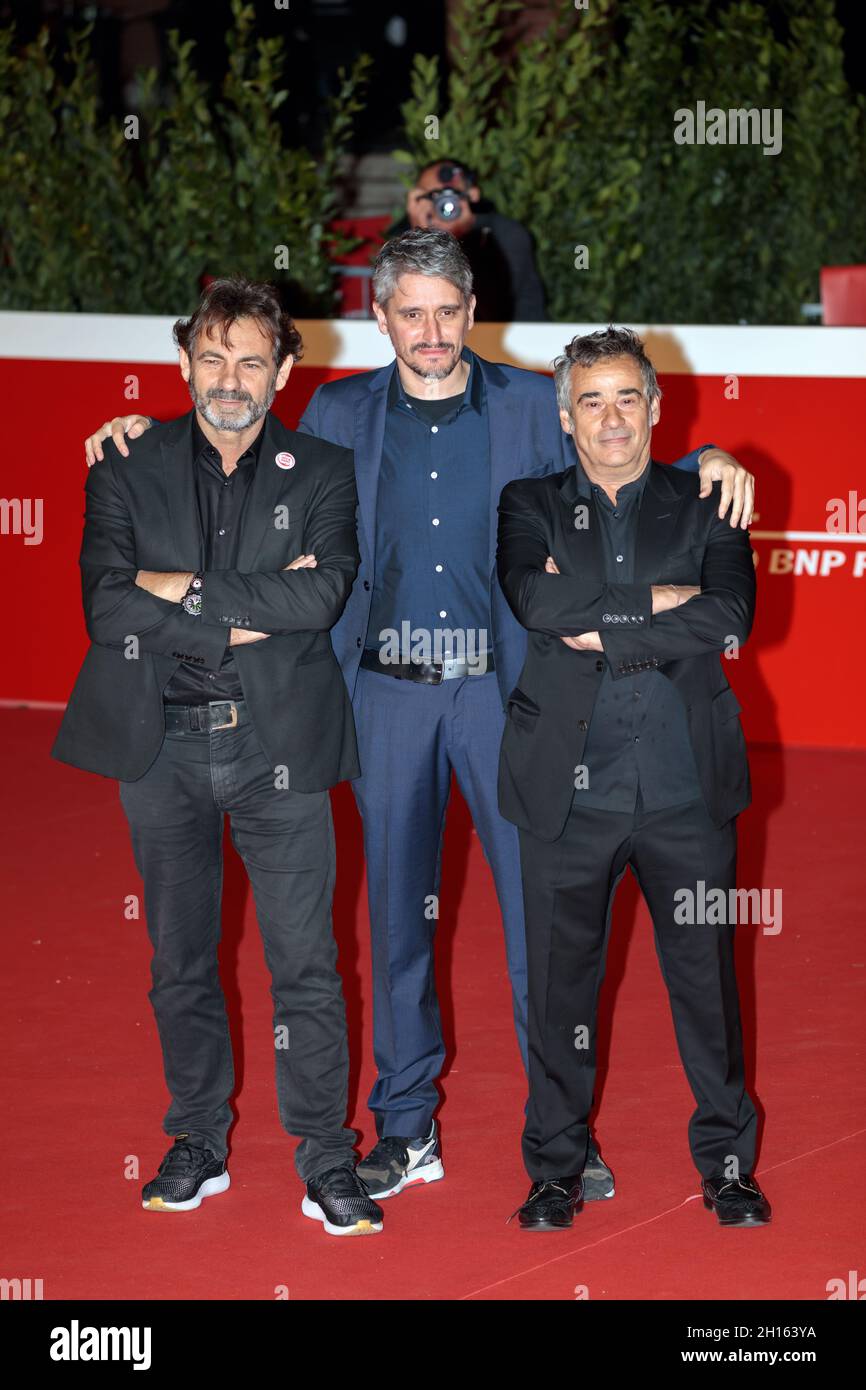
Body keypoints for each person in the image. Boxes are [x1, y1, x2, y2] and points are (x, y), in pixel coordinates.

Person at [82, 229, 755, 1210]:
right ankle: (405, 1127)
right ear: (381, 318)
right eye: (411, 313)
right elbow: (232, 437)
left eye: (446, 311)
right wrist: (138, 427)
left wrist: (709, 455)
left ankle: (559, 1142)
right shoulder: (336, 410)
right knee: (396, 919)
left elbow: (616, 455)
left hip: (506, 696)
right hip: (384, 695)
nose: (431, 331)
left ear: (471, 312)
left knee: (540, 930)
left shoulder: (528, 402)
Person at [54, 277, 384, 1237]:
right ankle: (197, 1138)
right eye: (211, 358)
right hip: (159, 747)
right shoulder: (125, 462)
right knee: (179, 961)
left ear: (283, 371)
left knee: (307, 965)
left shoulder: (322, 470)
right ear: (183, 363)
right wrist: (244, 608)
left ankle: (326, 1155)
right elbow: (107, 607)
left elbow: (320, 598)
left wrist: (179, 591)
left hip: (278, 745)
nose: (229, 379)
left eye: (250, 361)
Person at [497, 326, 769, 1231]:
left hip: (686, 788)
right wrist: (662, 603)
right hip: (565, 791)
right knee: (559, 991)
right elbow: (534, 602)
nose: (611, 418)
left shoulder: (706, 499)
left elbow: (728, 615)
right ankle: (555, 1171)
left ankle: (729, 1167)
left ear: (655, 407)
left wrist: (601, 626)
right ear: (565, 417)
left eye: (626, 398)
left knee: (707, 987)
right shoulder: (528, 502)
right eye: (591, 400)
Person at [389, 157, 548, 321]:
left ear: (472, 195)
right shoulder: (404, 238)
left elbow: (488, 304)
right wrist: (419, 236)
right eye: (433, 196)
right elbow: (405, 302)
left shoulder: (504, 234)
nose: (444, 204)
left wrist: (461, 235)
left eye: (453, 195)